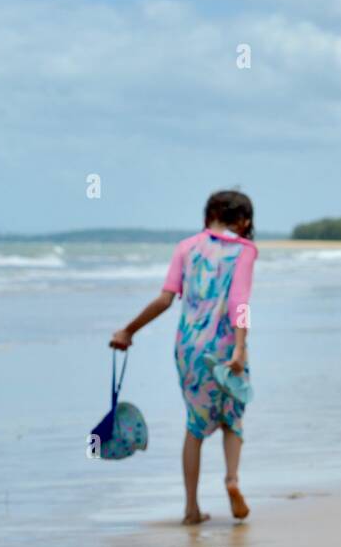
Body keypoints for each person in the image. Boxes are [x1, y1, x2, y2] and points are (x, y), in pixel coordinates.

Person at [110, 190, 257, 524]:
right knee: (232, 417)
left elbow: (165, 300)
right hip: (226, 345)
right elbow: (240, 303)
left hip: (189, 348)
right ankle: (232, 480)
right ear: (243, 220)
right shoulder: (244, 251)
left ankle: (191, 508)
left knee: (195, 424)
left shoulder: (186, 248)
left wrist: (128, 331)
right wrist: (239, 346)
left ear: (208, 216)